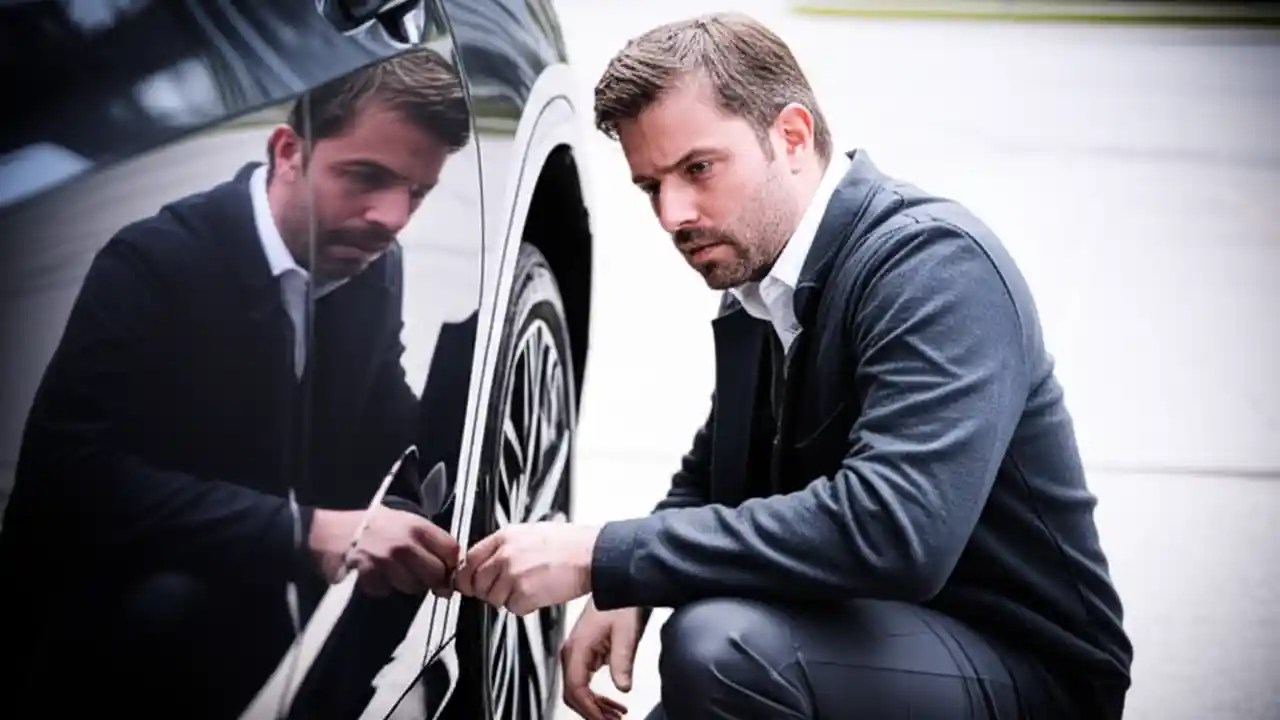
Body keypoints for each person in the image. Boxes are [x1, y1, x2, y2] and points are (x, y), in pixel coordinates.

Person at [454, 12, 1133, 720]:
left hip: (1026, 669)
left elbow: (895, 531)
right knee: (712, 655)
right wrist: (630, 586)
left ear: (792, 136)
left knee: (720, 645)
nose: (672, 214)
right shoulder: (761, 286)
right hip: (866, 639)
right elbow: (716, 476)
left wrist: (604, 554)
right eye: (650, 186)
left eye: (698, 169)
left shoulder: (935, 268)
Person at [0, 47, 471, 718]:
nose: (391, 217)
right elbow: (69, 479)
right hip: (109, 627)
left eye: (416, 192)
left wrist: (458, 506)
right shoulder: (156, 263)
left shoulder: (374, 263)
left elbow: (374, 411)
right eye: (365, 177)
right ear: (288, 152)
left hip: (258, 602)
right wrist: (307, 531)